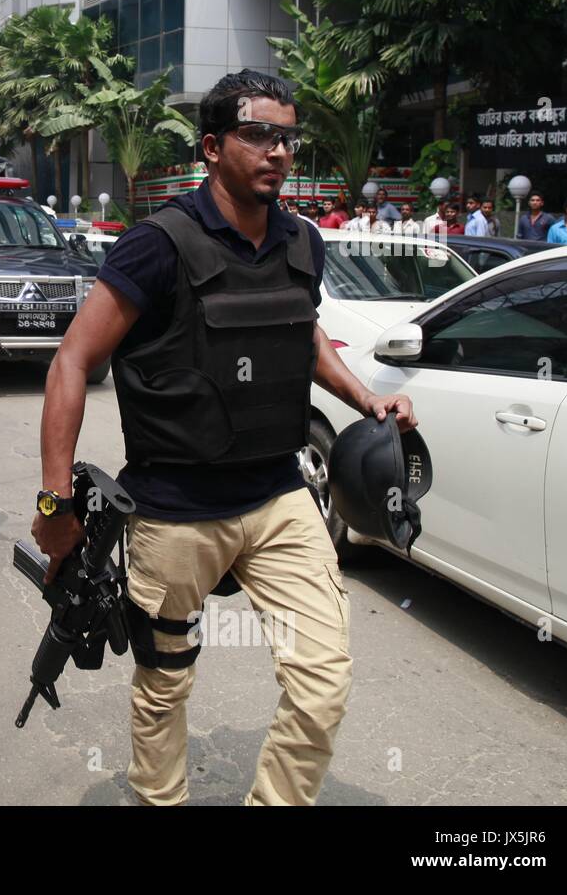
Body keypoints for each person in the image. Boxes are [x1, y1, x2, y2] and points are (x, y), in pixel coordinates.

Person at [32, 69, 417, 807]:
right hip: (175, 508)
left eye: (287, 137)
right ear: (211, 146)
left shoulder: (303, 240)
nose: (278, 152)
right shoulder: (157, 245)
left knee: (322, 679)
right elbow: (74, 361)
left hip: (279, 497)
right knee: (165, 685)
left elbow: (302, 334)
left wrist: (368, 399)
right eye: (257, 134)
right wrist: (55, 504)